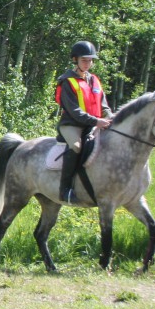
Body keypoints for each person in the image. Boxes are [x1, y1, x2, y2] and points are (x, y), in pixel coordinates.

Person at [56, 40, 113, 204]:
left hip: (93, 123)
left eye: (90, 60)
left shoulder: (94, 80)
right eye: (84, 60)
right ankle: (65, 190)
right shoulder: (67, 81)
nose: (87, 64)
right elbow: (75, 111)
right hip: (72, 124)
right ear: (75, 60)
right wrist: (97, 121)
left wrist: (110, 117)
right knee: (76, 146)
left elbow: (103, 105)